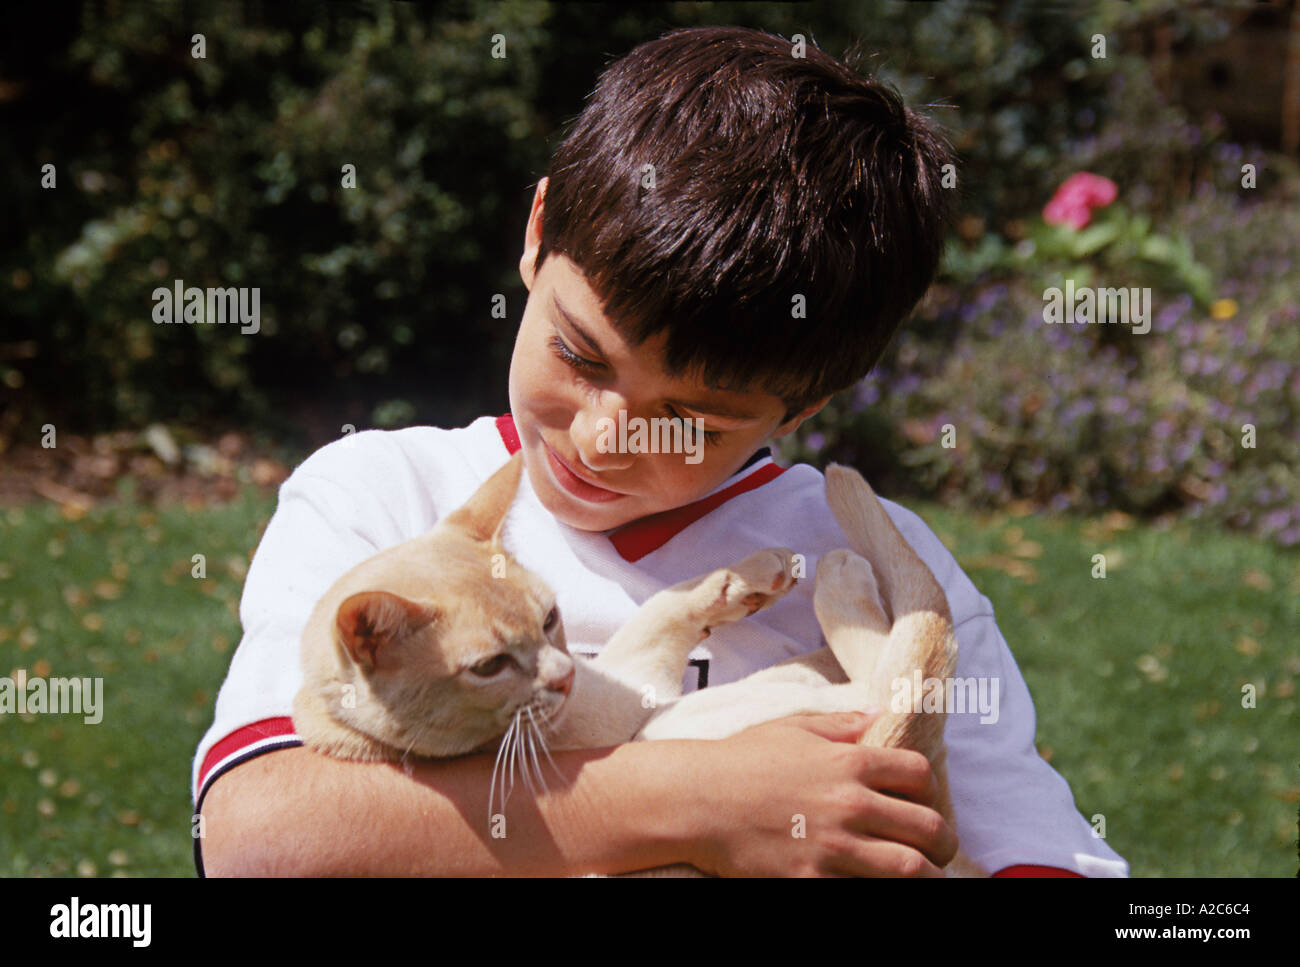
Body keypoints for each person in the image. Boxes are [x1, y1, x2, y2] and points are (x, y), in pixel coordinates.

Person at [193, 25, 1129, 878]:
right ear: (536, 232)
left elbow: (1035, 849)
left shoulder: (885, 559)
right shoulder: (386, 500)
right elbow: (260, 839)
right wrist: (707, 802)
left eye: (694, 419)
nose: (605, 436)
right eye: (577, 352)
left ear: (805, 408)